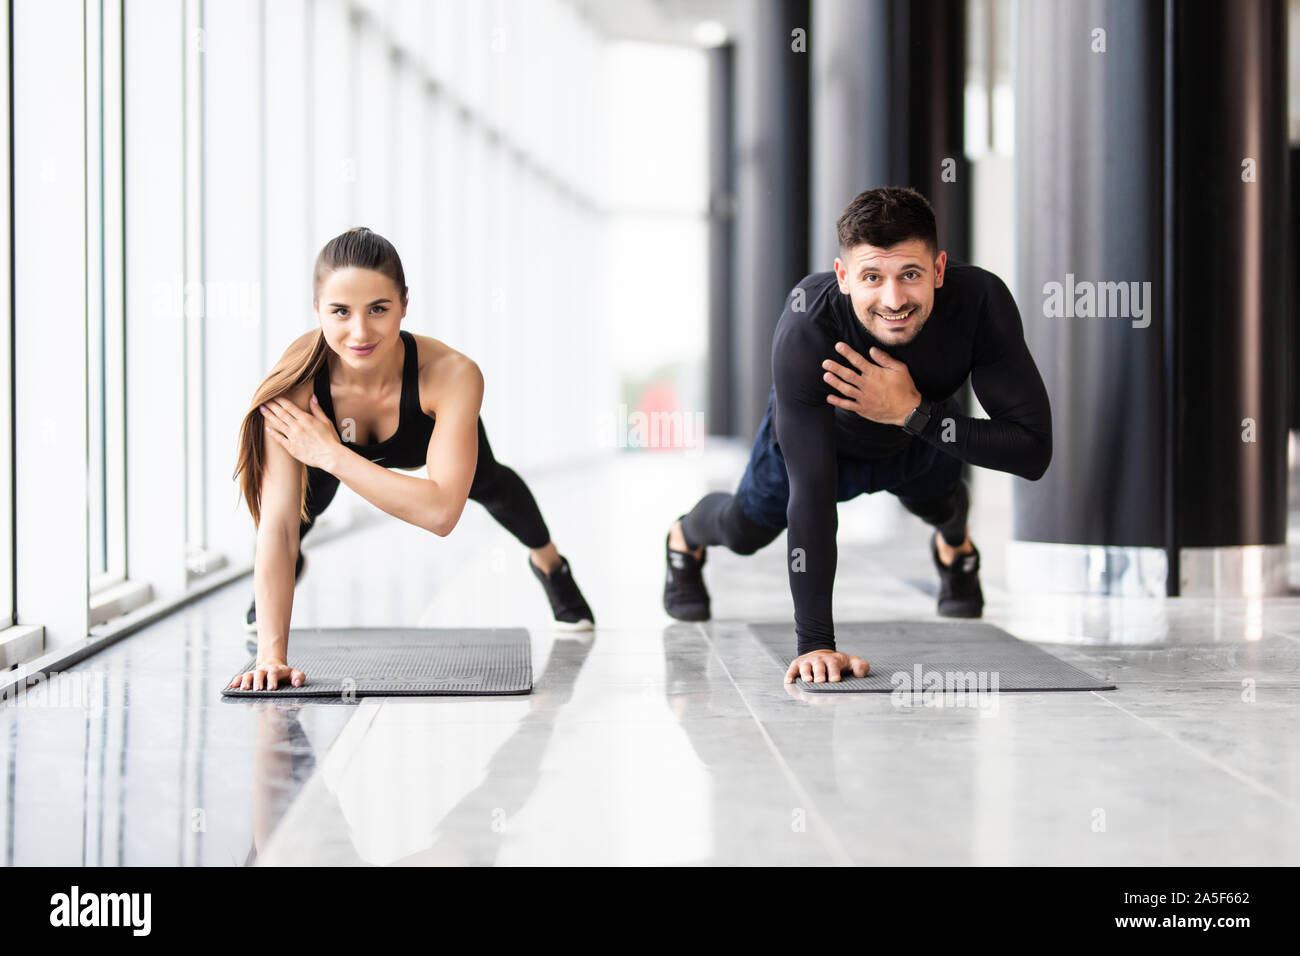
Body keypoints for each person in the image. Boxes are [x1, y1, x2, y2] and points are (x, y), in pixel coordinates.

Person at [663, 186, 1052, 685]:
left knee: (944, 509)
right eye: (872, 277)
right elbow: (812, 495)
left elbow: (1033, 452)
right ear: (843, 277)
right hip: (823, 448)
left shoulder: (980, 300)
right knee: (744, 530)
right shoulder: (808, 326)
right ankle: (683, 535)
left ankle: (955, 549)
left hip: (918, 432)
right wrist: (815, 644)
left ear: (938, 269)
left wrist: (913, 413)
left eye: (910, 274)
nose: (893, 300)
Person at [230, 226, 594, 691]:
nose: (359, 332)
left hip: (408, 440)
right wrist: (271, 656)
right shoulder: (296, 384)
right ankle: (282, 582)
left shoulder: (451, 374)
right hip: (324, 447)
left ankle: (550, 564)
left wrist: (331, 453)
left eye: (378, 309)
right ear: (317, 309)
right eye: (340, 312)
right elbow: (276, 525)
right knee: (298, 516)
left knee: (493, 485)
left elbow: (442, 514)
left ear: (404, 303)